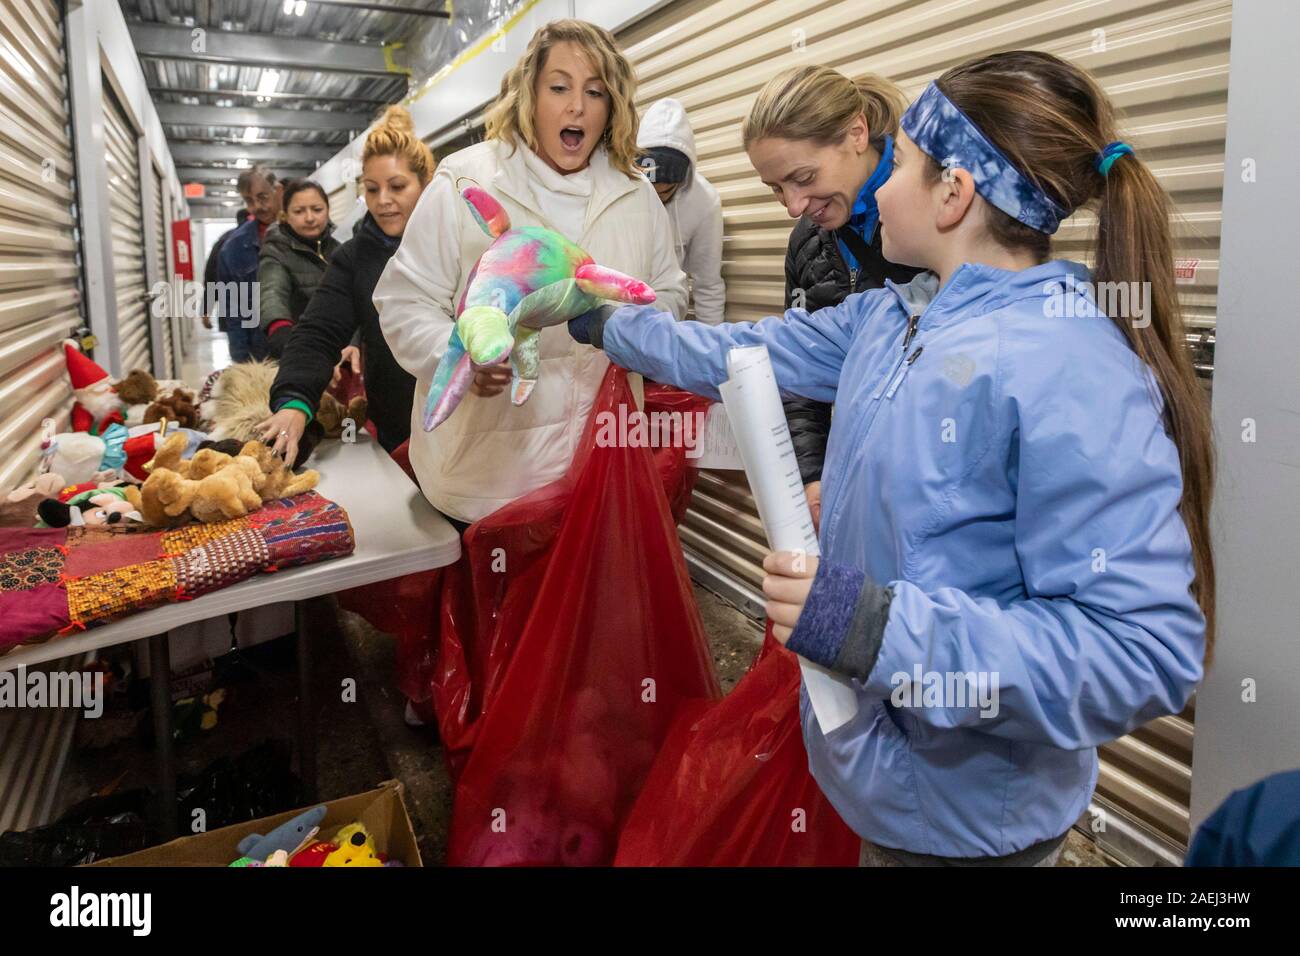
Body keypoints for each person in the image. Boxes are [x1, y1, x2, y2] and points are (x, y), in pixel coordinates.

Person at [568, 50, 1214, 866]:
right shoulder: (892, 317)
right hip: (883, 782)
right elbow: (736, 351)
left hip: (972, 824)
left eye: (900, 161)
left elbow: (1139, 652)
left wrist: (872, 626)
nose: (878, 187)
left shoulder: (1069, 367)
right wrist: (594, 318)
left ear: (956, 192)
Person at [373, 18, 686, 528]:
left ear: (613, 107)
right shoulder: (465, 180)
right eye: (559, 87)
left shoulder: (638, 195)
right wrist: (461, 353)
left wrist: (623, 327)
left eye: (595, 92)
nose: (576, 107)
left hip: (595, 466)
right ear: (529, 94)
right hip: (484, 479)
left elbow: (668, 291)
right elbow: (404, 301)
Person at [745, 66, 924, 527]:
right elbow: (798, 369)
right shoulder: (807, 240)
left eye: (803, 177)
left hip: (921, 496)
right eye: (776, 188)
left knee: (886, 603)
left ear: (856, 132)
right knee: (831, 599)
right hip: (843, 490)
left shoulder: (928, 219)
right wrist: (811, 475)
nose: (793, 205)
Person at [258, 106, 433, 464]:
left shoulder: (456, 244)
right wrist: (295, 400)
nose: (383, 200)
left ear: (426, 184)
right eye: (371, 189)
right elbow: (318, 332)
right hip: (399, 434)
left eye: (397, 187)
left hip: (470, 433)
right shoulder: (354, 259)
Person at [635, 98, 725, 324]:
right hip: (620, 315)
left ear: (683, 181)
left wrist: (710, 347)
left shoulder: (705, 202)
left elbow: (708, 285)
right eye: (651, 191)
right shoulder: (621, 187)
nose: (656, 200)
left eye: (665, 193)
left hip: (668, 319)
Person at [257, 179, 341, 359]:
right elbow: (272, 294)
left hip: (346, 349)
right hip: (300, 350)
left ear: (327, 210)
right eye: (299, 211)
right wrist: (281, 332)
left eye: (317, 209)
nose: (310, 218)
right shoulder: (275, 251)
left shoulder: (342, 245)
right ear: (285, 215)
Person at [218, 165, 282, 362]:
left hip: (308, 347)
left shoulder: (306, 230)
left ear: (278, 191)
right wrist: (242, 363)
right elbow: (233, 311)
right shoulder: (234, 247)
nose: (256, 207)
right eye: (249, 201)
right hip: (261, 354)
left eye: (262, 197)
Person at [202, 207, 249, 331]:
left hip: (230, 309)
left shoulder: (224, 240)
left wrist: (206, 310)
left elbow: (211, 276)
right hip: (258, 308)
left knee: (239, 348)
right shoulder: (262, 238)